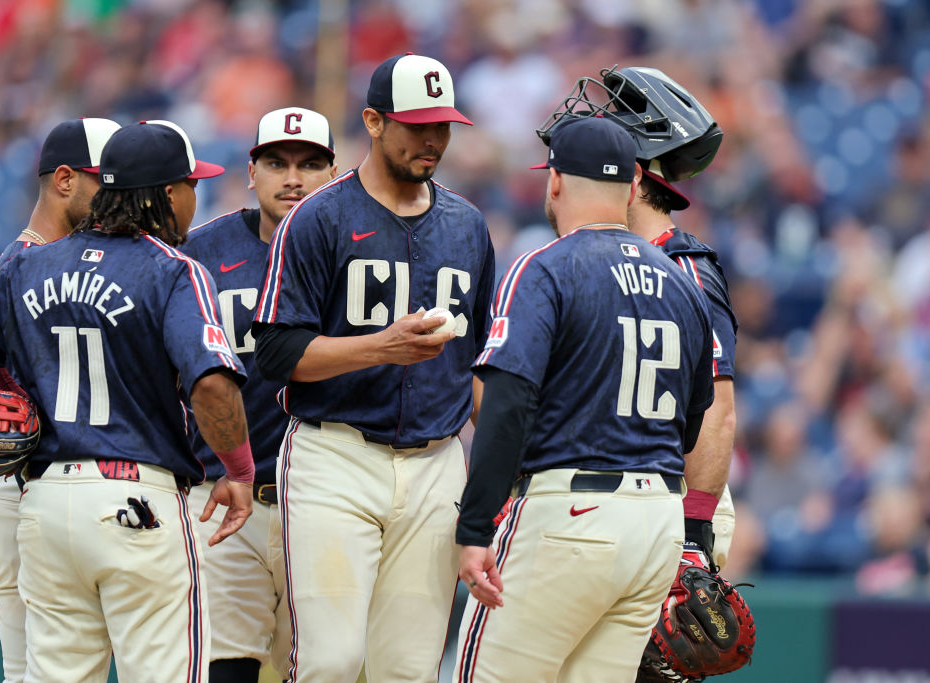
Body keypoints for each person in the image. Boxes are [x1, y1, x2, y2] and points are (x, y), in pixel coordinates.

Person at [0, 119, 255, 681]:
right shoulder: (172, 269)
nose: (195, 199)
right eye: (190, 185)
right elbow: (210, 383)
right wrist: (240, 469)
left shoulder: (29, 264)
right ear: (165, 194)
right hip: (135, 495)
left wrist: (16, 400)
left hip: (45, 498)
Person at [251, 53, 496, 682]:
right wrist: (379, 347)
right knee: (331, 661)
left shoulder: (467, 226)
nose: (432, 139)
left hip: (436, 462)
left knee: (408, 669)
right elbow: (276, 355)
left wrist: (503, 466)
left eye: (442, 125)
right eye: (416, 125)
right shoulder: (318, 217)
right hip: (336, 456)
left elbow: (480, 365)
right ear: (374, 122)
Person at [453, 116, 715, 682]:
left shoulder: (547, 267)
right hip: (657, 523)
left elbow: (507, 404)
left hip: (571, 514)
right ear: (632, 187)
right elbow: (693, 422)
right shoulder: (681, 281)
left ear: (554, 182)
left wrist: (474, 528)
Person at [0, 116, 120, 683]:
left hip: (22, 491)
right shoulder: (27, 261)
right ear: (65, 180)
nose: (117, 195)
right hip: (17, 491)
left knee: (34, 671)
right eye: (105, 181)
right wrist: (7, 403)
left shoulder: (51, 258)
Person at [538, 66, 738, 573]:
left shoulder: (683, 267)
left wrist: (694, 529)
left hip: (674, 501)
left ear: (631, 172)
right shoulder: (589, 258)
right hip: (604, 496)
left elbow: (718, 409)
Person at [181, 106, 338, 682]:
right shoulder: (201, 250)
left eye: (310, 164)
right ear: (251, 173)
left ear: (335, 173)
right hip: (221, 492)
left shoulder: (356, 249)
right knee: (223, 665)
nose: (292, 179)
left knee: (330, 664)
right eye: (276, 163)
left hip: (326, 495)